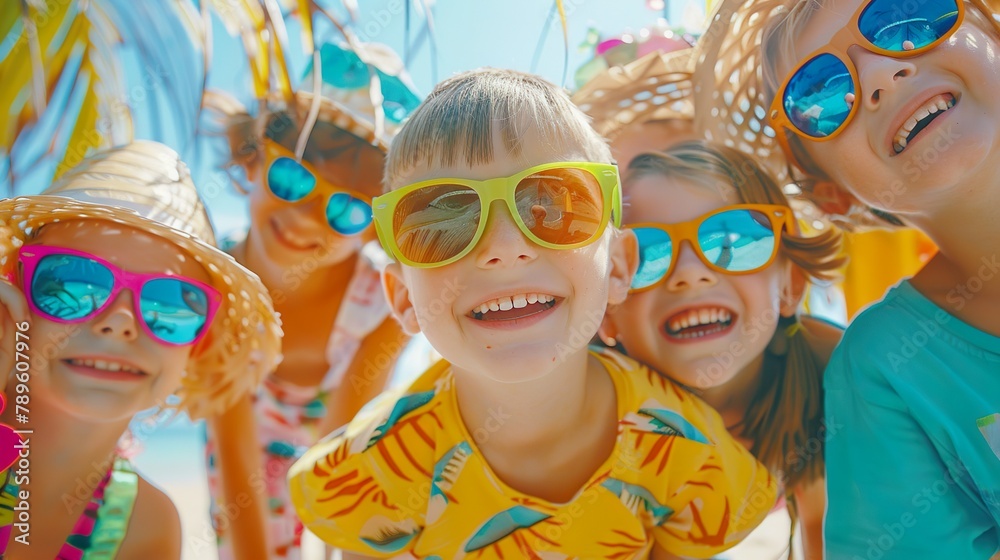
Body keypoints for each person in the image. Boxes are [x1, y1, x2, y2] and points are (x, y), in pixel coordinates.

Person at [287, 67, 778, 559]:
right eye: (439, 221)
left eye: (556, 204)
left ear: (619, 268)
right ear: (402, 299)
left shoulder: (685, 447)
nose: (504, 248)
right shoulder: (378, 467)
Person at [696, 0, 1000, 556]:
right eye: (819, 92)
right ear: (828, 193)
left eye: (910, 16)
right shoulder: (885, 370)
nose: (883, 72)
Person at [0, 141, 281, 558]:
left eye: (170, 304)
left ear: (197, 346)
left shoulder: (145, 528)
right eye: (74, 283)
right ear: (14, 294)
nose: (120, 322)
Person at [206, 41, 420, 558]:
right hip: (241, 434)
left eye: (347, 209)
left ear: (374, 230)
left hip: (339, 430)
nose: (305, 218)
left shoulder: (382, 301)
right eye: (292, 176)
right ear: (253, 158)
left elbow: (346, 449)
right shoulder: (219, 284)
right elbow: (233, 444)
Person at [599, 141, 844, 559]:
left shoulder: (833, 370)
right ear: (607, 314)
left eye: (732, 240)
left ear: (791, 287)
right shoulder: (596, 406)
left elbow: (825, 524)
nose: (690, 275)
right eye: (647, 254)